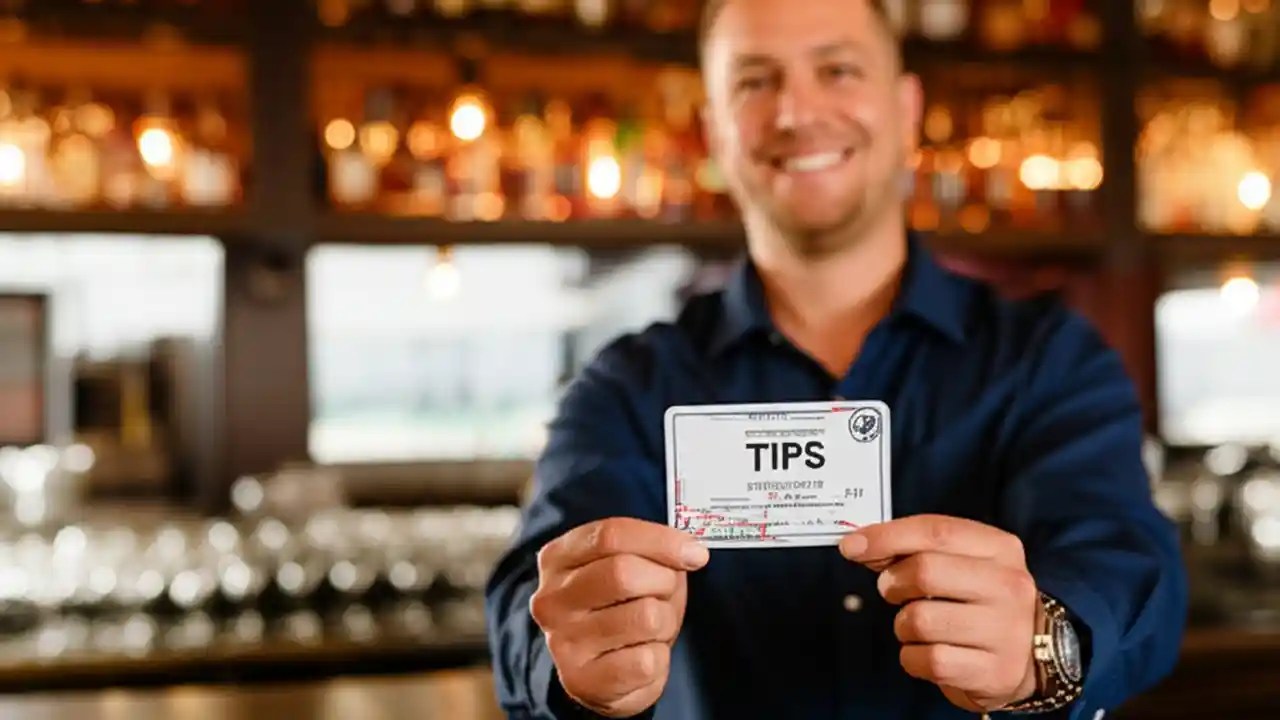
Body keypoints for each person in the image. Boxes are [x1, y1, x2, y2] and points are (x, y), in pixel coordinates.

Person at [484, 0, 1189, 717]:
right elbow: (528, 607)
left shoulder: (1049, 360)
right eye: (755, 81)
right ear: (712, 133)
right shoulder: (626, 388)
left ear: (906, 107)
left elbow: (1129, 567)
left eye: (838, 70)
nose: (796, 110)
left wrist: (1047, 641)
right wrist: (567, 652)